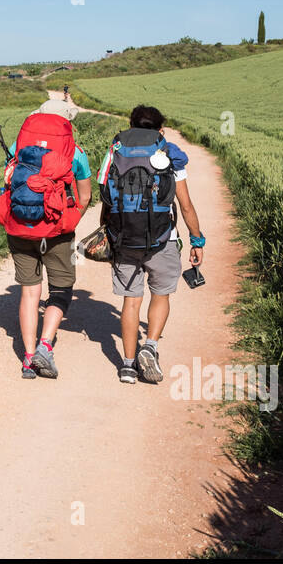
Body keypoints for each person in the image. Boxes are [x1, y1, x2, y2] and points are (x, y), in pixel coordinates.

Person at [97, 105, 205, 384]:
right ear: (161, 130)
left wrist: (107, 232)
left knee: (131, 301)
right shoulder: (168, 154)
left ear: (131, 125)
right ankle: (151, 345)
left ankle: (128, 366)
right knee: (161, 294)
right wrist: (197, 239)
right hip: (162, 239)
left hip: (123, 238)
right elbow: (186, 204)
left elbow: (107, 198)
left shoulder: (115, 152)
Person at [0, 99, 93, 379]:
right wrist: (69, 219)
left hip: (21, 227)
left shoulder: (17, 147)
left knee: (29, 291)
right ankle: (45, 346)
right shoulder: (76, 152)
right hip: (57, 230)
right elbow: (84, 197)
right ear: (66, 122)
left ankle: (27, 358)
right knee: (61, 288)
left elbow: (8, 185)